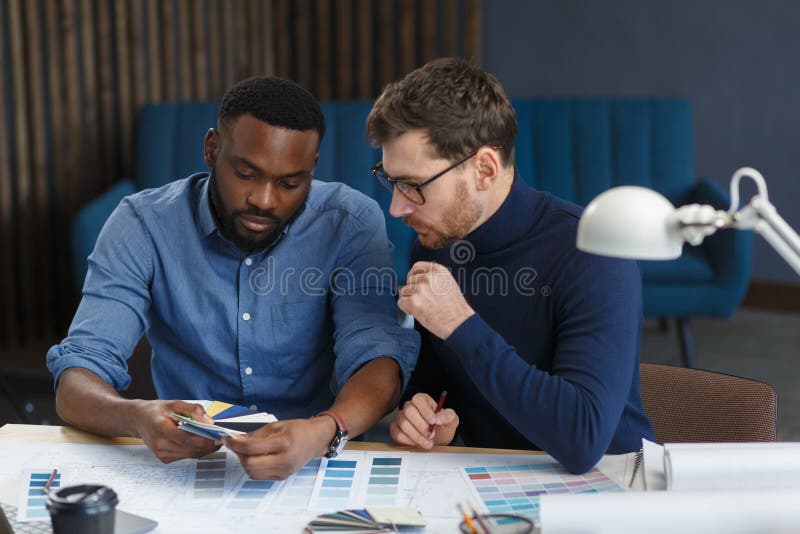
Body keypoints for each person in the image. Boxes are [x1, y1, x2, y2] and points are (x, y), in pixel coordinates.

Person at [47, 76, 419, 479]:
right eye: (246, 173)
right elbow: (79, 375)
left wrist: (323, 429)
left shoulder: (351, 223)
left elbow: (378, 357)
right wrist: (136, 416)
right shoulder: (142, 224)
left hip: (317, 458)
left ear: (312, 168)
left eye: (289, 183)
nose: (264, 200)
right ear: (212, 148)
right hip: (185, 465)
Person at [366, 58, 653, 474]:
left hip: (609, 487)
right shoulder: (435, 241)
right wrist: (424, 411)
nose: (396, 207)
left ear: (484, 169)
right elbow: (437, 376)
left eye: (413, 185)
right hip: (493, 483)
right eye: (391, 181)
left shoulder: (593, 254)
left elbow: (582, 439)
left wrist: (460, 323)